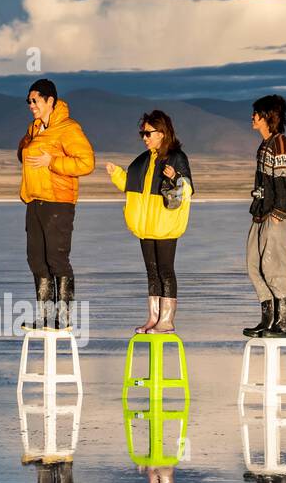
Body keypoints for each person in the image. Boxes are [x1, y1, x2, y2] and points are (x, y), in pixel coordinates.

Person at [105, 110, 194, 334]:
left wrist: (175, 178)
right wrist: (116, 174)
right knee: (151, 272)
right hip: (147, 227)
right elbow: (130, 184)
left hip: (165, 226)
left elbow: (187, 190)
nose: (144, 137)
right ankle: (153, 318)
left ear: (162, 133)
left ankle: (167, 320)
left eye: (148, 133)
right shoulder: (144, 160)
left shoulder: (176, 157)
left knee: (166, 271)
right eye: (142, 133)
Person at [17, 79, 95, 331]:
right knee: (36, 259)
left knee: (56, 259)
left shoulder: (68, 128)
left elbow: (86, 163)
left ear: (50, 101)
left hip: (58, 203)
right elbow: (24, 155)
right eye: (28, 101)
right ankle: (44, 317)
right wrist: (28, 140)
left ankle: (64, 317)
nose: (31, 105)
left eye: (35, 101)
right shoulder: (36, 128)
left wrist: (53, 161)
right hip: (35, 200)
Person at [244, 94, 286, 339]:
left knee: (275, 266)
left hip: (277, 215)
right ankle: (267, 320)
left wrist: (281, 213)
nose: (252, 117)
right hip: (261, 214)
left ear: (266, 117)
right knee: (254, 265)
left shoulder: (280, 144)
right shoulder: (265, 145)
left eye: (255, 113)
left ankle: (283, 323)